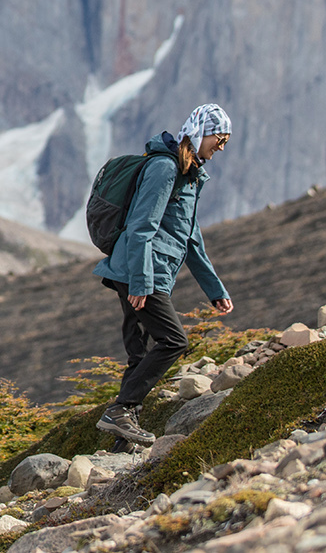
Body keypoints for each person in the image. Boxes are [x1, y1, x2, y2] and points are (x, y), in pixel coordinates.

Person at [94, 104, 237, 446]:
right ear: (201, 131)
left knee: (139, 353)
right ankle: (121, 410)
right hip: (140, 271)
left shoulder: (188, 174)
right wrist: (142, 282)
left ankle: (122, 441)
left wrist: (214, 289)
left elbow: (191, 237)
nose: (221, 147)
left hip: (143, 270)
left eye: (225, 142)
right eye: (219, 139)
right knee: (174, 341)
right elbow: (142, 227)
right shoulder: (164, 168)